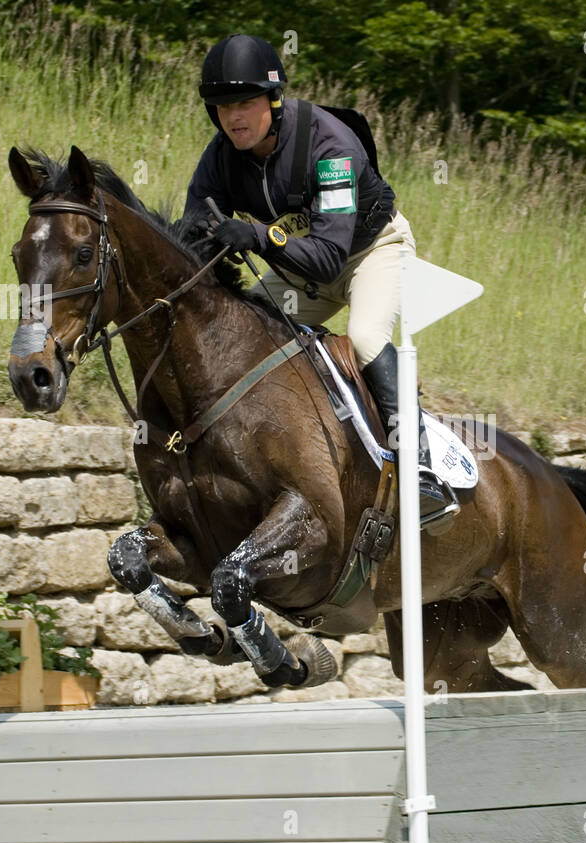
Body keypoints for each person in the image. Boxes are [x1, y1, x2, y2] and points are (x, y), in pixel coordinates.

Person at [180, 33, 455, 519]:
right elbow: (190, 234)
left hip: (370, 254)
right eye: (222, 107)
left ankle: (422, 469)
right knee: (249, 336)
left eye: (244, 103)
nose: (233, 117)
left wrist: (261, 238)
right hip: (301, 270)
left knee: (366, 336)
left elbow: (330, 259)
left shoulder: (329, 145)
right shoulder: (220, 157)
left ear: (273, 99)